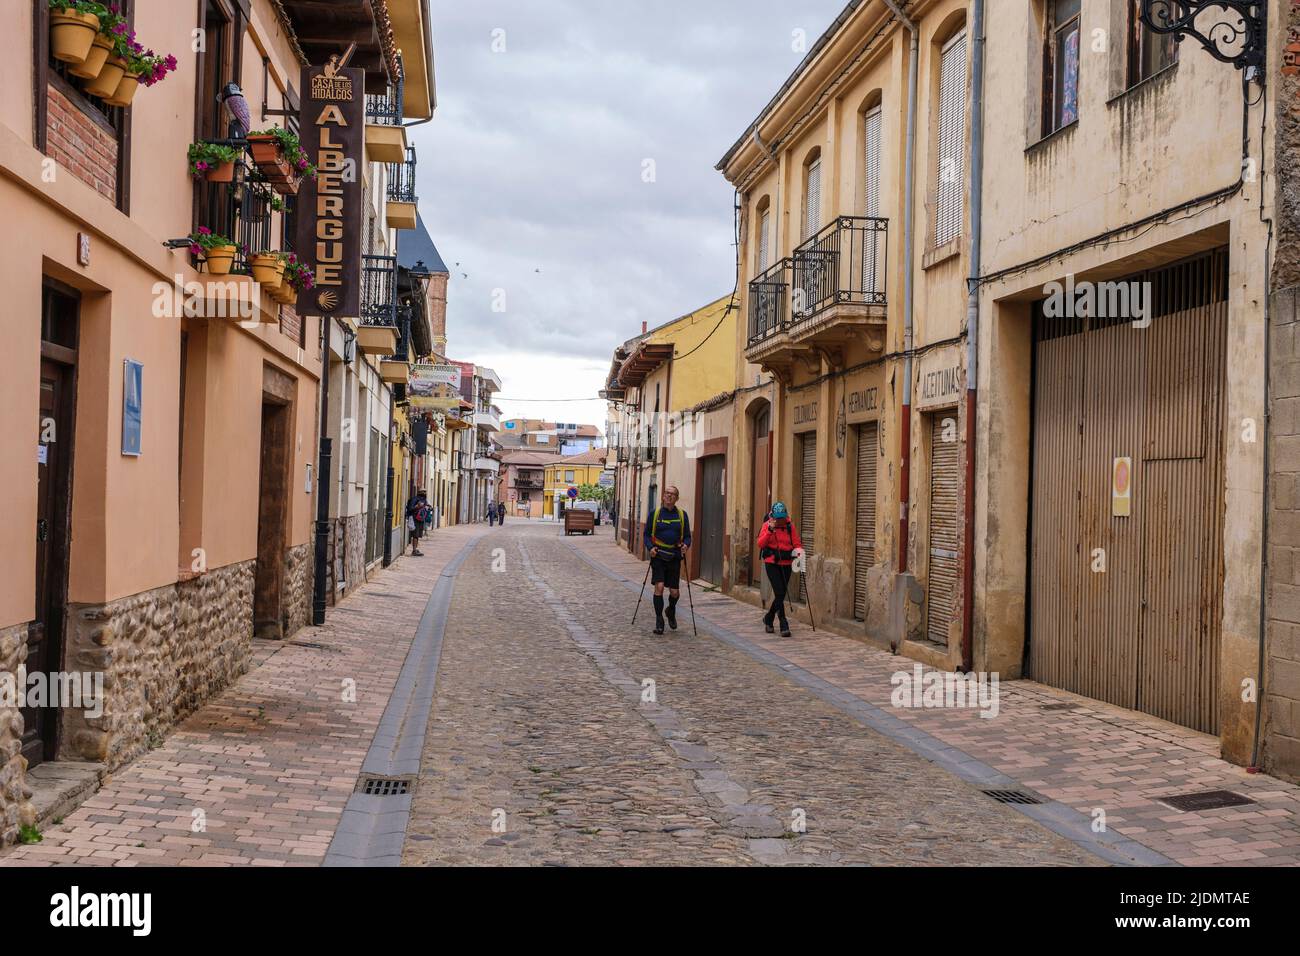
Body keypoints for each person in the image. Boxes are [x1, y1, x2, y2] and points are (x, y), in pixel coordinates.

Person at [644, 485, 691, 635]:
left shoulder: (682, 515)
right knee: (659, 586)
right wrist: (650, 547)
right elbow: (646, 534)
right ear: (663, 496)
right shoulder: (655, 514)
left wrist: (686, 545)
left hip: (674, 556)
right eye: (667, 493)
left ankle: (670, 610)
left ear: (677, 498)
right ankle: (659, 620)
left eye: (673, 494)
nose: (669, 496)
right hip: (658, 555)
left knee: (675, 592)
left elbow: (688, 536)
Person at [756, 501, 803, 637]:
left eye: (782, 518)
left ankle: (769, 618)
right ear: (773, 516)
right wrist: (770, 531)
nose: (780, 521)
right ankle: (783, 622)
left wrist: (800, 554)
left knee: (780, 594)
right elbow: (760, 543)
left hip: (787, 562)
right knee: (780, 591)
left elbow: (796, 543)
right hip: (772, 563)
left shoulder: (789, 526)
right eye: (778, 518)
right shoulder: (767, 526)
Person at [405, 491, 431, 557]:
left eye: (425, 492)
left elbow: (428, 508)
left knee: (417, 535)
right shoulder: (414, 499)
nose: (425, 493)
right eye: (423, 492)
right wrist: (417, 506)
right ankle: (414, 550)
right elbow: (410, 509)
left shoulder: (424, 500)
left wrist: (428, 507)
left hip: (420, 519)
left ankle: (415, 549)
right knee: (415, 535)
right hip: (415, 519)